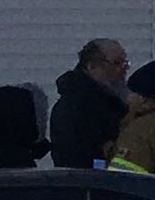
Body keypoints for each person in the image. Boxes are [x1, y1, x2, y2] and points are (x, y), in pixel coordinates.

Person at [47, 39, 130, 169]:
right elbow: (74, 154)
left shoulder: (114, 100)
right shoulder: (75, 106)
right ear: (91, 66)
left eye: (126, 63)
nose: (124, 69)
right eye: (116, 63)